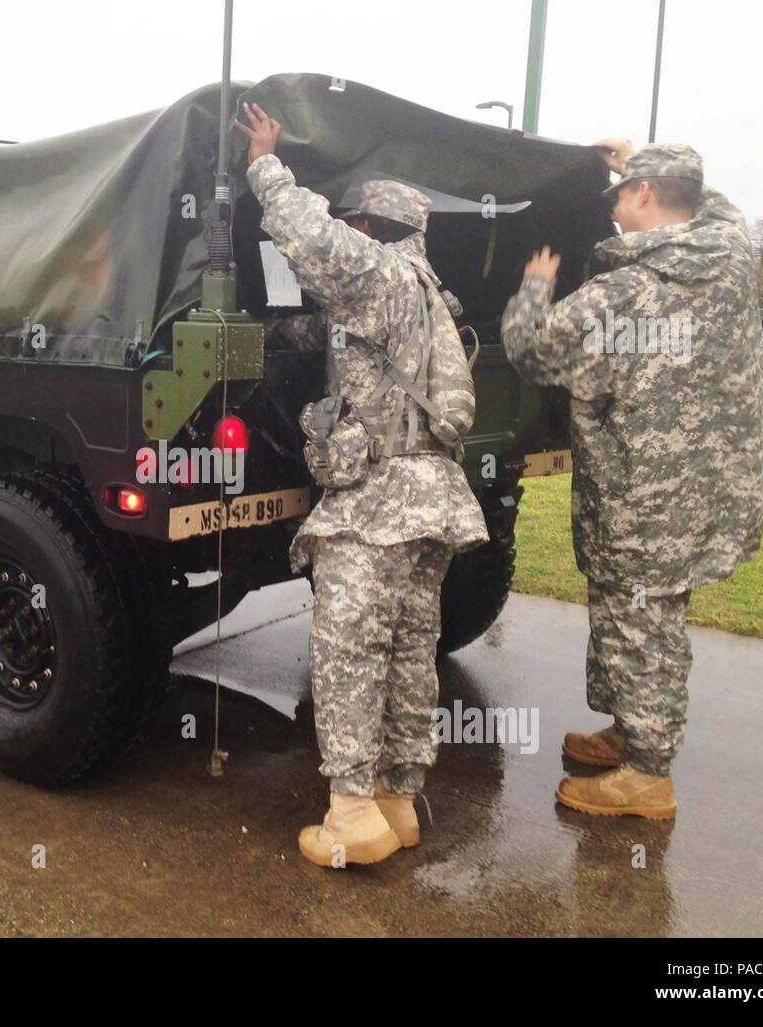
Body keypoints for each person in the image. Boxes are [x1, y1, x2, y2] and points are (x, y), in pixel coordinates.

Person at [235, 102, 487, 866]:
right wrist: (278, 333)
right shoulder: (429, 299)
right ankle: (398, 801)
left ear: (373, 230)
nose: (351, 233)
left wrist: (265, 167)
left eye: (358, 224)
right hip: (431, 504)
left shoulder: (379, 274)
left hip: (377, 505)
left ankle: (349, 817)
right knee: (410, 653)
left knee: (349, 653)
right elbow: (326, 335)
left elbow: (313, 240)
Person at [500, 139, 763, 819]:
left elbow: (530, 349)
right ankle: (633, 730)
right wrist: (652, 166)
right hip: (708, 490)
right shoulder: (729, 256)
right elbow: (720, 210)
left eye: (622, 191)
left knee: (640, 622)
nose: (616, 206)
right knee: (646, 619)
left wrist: (534, 282)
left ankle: (648, 774)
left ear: (646, 194)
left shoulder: (620, 291)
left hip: (638, 498)